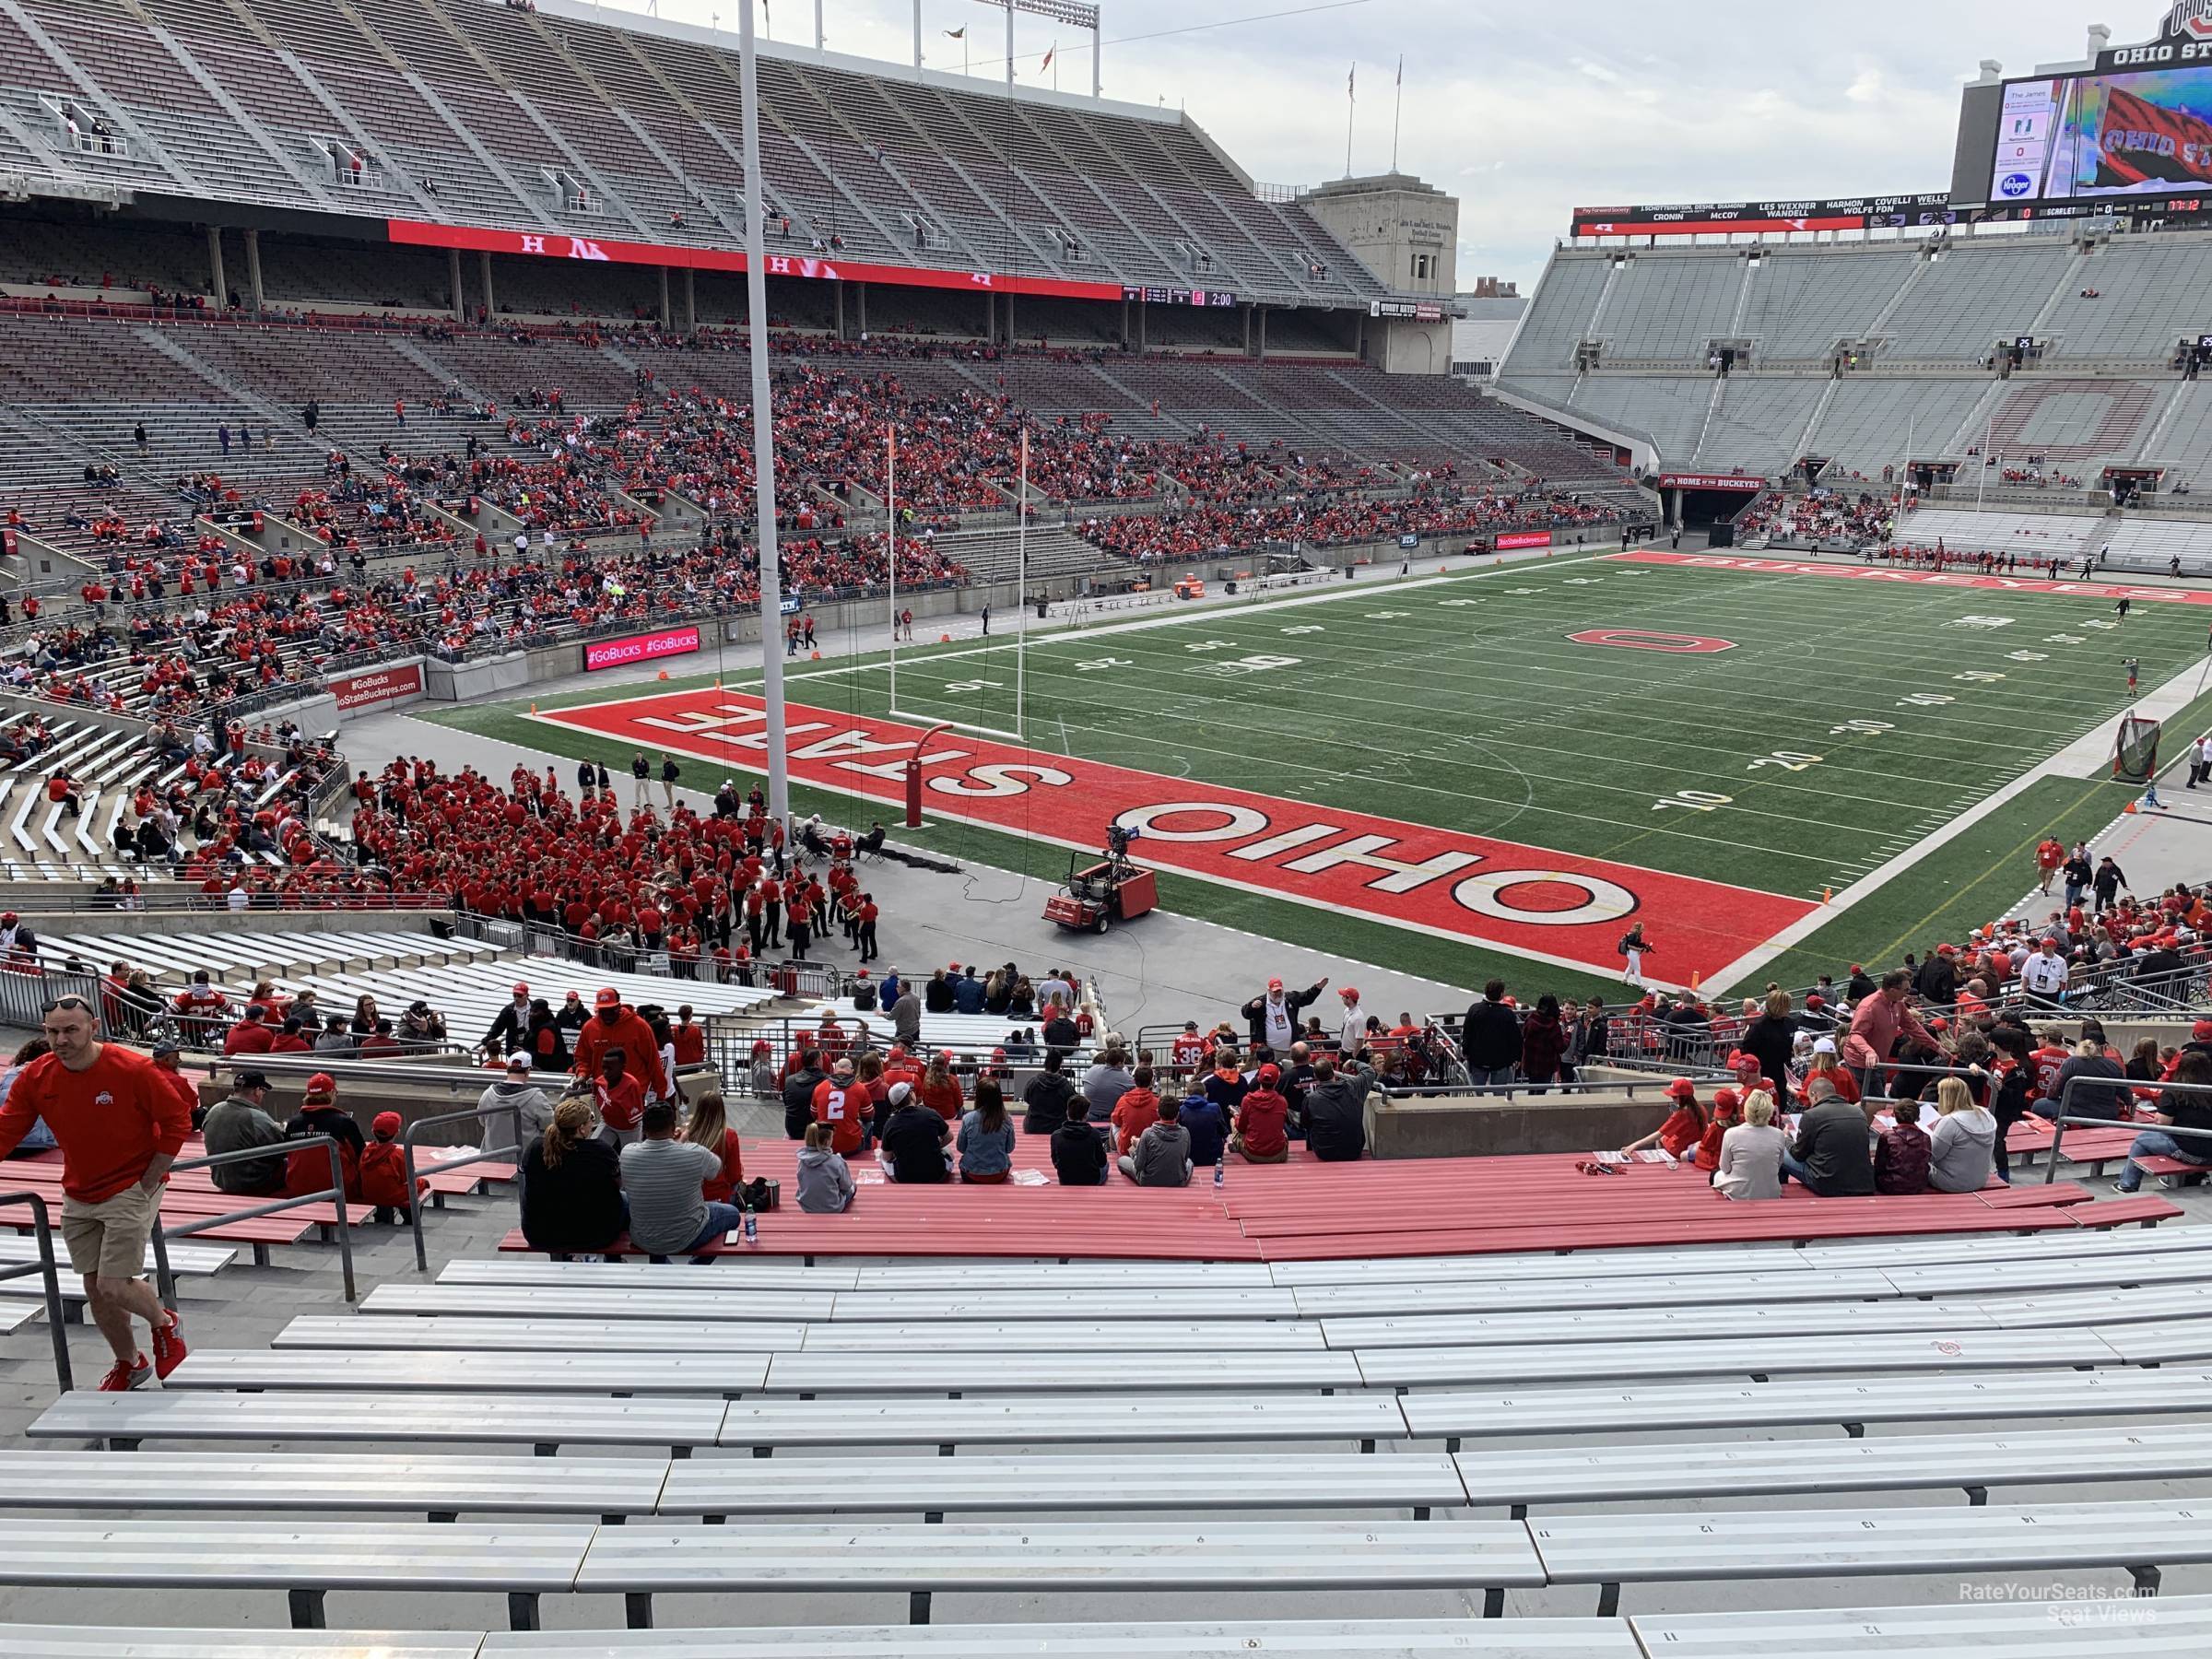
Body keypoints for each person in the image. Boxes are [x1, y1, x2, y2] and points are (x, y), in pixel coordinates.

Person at [0, 998, 190, 1389]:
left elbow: (177, 1120)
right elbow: (6, 1131)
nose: (60, 1039)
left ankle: (164, 1323)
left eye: (70, 1030)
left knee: (112, 1283)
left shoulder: (133, 1069)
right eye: (52, 1031)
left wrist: (152, 1177)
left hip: (131, 1185)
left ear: (93, 1026)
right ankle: (130, 1362)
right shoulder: (38, 1075)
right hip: (80, 1190)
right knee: (93, 1286)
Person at [622, 1100, 736, 1262]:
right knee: (732, 1213)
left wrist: (678, 1144)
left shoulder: (627, 1153)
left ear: (644, 1128)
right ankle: (696, 1265)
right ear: (672, 1126)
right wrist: (683, 1142)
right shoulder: (695, 1153)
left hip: (643, 1238)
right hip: (688, 1236)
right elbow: (716, 1169)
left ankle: (661, 1266)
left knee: (649, 1208)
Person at [519, 1097, 625, 1258]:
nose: (592, 1123)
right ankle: (613, 1260)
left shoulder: (535, 1148)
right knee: (625, 1200)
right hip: (595, 1236)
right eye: (591, 1118)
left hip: (540, 1234)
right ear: (582, 1128)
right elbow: (618, 1183)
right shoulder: (600, 1151)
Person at [2116, 1050, 2212, 1192]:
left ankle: (2127, 1184)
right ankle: (2191, 1178)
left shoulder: (2175, 1091)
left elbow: (2162, 1122)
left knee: (2142, 1140)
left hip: (2188, 1151)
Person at [1782, 1075, 1876, 1195]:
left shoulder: (1812, 1115)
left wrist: (1786, 1139)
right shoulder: (1859, 1113)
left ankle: (1781, 1190)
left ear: (1815, 1095)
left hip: (1827, 1183)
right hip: (1862, 1182)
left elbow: (1798, 1154)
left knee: (1779, 1149)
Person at [198, 1069, 286, 1196]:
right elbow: (281, 1147)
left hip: (221, 1180)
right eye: (263, 1091)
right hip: (252, 1183)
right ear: (257, 1091)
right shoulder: (257, 1118)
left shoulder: (214, 1110)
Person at [571, 989, 667, 1103]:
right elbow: (583, 1058)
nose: (607, 1015)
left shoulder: (639, 1026)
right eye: (603, 1011)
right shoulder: (589, 1028)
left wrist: (661, 1094)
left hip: (633, 1092)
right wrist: (582, 1074)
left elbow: (653, 1061)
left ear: (619, 1006)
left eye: (611, 1010)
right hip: (604, 1093)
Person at [283, 1072, 365, 1199]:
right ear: (332, 1093)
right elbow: (361, 1156)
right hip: (338, 1190)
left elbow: (287, 1154)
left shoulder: (293, 1123)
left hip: (299, 1190)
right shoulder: (343, 1122)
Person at [1926, 1076, 1998, 1193]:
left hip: (1951, 1181)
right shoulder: (1986, 1114)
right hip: (1980, 1180)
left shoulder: (1950, 1121)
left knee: (1913, 1162)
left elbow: (1932, 1156)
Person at [1714, 1091, 1788, 1200]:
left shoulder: (1731, 1133)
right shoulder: (1779, 1135)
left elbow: (1725, 1168)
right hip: (1771, 1192)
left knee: (1715, 1175)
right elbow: (1778, 1165)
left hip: (1739, 1192)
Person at [359, 1111, 427, 1225]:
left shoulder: (366, 1152)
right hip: (390, 1196)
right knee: (420, 1184)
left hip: (369, 1194)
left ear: (372, 1131)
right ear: (397, 1133)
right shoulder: (398, 1154)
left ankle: (383, 1219)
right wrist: (422, 1183)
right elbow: (407, 1178)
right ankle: (411, 1222)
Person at [2041, 1035, 2130, 1121]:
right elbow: (2127, 1097)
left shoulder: (2071, 1063)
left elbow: (2052, 1093)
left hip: (2075, 1113)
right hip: (2107, 1114)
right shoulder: (2112, 1065)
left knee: (2039, 1104)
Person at [480, 1053, 555, 1155]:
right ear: (528, 1071)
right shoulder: (536, 1098)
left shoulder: (488, 1094)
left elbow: (482, 1121)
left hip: (492, 1158)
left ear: (507, 1069)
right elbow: (549, 1124)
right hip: (524, 1160)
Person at [879, 1080, 951, 1182]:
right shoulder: (930, 1113)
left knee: (882, 1158)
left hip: (904, 1177)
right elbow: (949, 1137)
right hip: (936, 1175)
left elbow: (887, 1157)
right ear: (911, 1095)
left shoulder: (890, 1123)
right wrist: (932, 1146)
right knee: (948, 1151)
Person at [1300, 1056, 1367, 1160]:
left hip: (1325, 1153)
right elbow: (1369, 1071)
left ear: (1315, 1076)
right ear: (1333, 1072)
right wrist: (1352, 1062)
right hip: (1354, 1151)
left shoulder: (1310, 1099)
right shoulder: (1354, 1088)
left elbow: (1305, 1124)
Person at [684, 1092, 745, 1204]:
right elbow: (734, 1176)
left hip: (692, 1197)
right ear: (721, 1110)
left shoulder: (686, 1134)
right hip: (718, 1197)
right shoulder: (729, 1136)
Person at [1623, 1078, 1706, 1159]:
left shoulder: (1682, 1114)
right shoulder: (1700, 1108)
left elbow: (1659, 1133)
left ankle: (1662, 1158)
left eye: (1674, 1097)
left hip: (1680, 1149)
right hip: (1696, 1146)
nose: (1672, 1099)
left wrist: (1635, 1145)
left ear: (1683, 1097)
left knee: (1660, 1138)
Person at [1119, 1096, 1193, 1186]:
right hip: (1177, 1181)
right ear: (1177, 1115)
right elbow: (1184, 1159)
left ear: (1157, 1112)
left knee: (1122, 1160)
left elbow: (1138, 1166)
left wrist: (1137, 1149)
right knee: (1189, 1162)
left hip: (1148, 1181)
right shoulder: (1185, 1132)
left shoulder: (1147, 1133)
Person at [1242, 975, 1327, 1052]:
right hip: (1269, 1051)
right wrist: (1251, 1007)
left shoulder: (1290, 998)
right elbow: (1245, 1013)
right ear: (1268, 991)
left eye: (1279, 991)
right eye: (1275, 992)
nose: (1278, 994)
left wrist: (1317, 988)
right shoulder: (1261, 1002)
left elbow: (1306, 997)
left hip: (1290, 1049)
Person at [1460, 981, 1521, 1088]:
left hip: (1478, 1059)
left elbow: (1467, 1033)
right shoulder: (1507, 1014)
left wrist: (1465, 1050)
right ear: (1501, 994)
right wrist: (1517, 1057)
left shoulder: (1475, 1009)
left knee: (1476, 1093)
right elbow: (1515, 1038)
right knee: (1499, 1094)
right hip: (1500, 1061)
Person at [957, 1077, 1016, 1183]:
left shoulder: (968, 1118)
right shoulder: (1007, 1120)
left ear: (978, 1096)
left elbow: (961, 1148)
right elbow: (1009, 1149)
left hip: (971, 1173)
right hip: (999, 1173)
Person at [1740, 991, 1798, 1095]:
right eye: (1787, 1005)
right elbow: (1746, 1051)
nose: (1790, 1008)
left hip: (1782, 1077)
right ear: (1778, 1006)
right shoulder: (1759, 1026)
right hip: (1763, 1077)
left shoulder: (1790, 1023)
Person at [1231, 1063, 1290, 1162]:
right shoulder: (1282, 1101)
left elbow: (1241, 1128)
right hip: (1278, 1153)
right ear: (1276, 1082)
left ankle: (1235, 1146)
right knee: (1283, 1132)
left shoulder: (1248, 1100)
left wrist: (1236, 1116)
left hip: (1253, 1153)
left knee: (1232, 1121)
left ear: (1259, 1079)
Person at [1872, 1098, 1932, 1194]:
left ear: (1894, 1115)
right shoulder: (1925, 1137)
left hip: (1890, 1184)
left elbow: (1879, 1165)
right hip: (1917, 1185)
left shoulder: (1887, 1136)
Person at [592, 1048, 646, 1147]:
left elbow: (636, 1118)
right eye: (604, 1068)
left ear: (622, 1067)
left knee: (630, 1157)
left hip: (629, 1128)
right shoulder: (599, 1082)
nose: (606, 1072)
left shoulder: (631, 1086)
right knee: (593, 1150)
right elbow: (595, 1098)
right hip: (608, 1123)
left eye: (610, 1069)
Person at [796, 1121, 855, 1212]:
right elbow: (846, 1186)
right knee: (853, 1186)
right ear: (827, 1141)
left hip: (807, 1207)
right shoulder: (836, 1161)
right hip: (833, 1208)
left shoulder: (802, 1161)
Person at [1052, 1096, 1110, 1184]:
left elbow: (1056, 1162)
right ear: (1086, 1115)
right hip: (1092, 1180)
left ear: (1067, 1113)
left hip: (1066, 1180)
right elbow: (1102, 1162)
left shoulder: (1056, 1136)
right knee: (1107, 1165)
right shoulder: (1094, 1134)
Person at [1519, 994, 1570, 1093]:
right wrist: (1568, 1035)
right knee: (1541, 1091)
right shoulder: (1554, 1026)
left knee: (1532, 1088)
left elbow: (1523, 1035)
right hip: (1546, 1065)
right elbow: (1561, 1047)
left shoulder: (1531, 1019)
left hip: (1531, 1062)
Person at [1021, 1049, 1077, 1135]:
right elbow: (1074, 1104)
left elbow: (1026, 1098)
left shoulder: (1033, 1082)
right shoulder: (1066, 1086)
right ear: (1060, 1064)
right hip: (1058, 1128)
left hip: (1033, 1127)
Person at [1111, 1066, 1161, 1156]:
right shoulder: (1157, 1103)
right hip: (1150, 1150)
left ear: (1134, 1081)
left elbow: (1116, 1121)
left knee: (1113, 1123)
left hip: (1126, 1150)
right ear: (1151, 1082)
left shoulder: (1123, 1100)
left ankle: (1113, 1151)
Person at [1178, 1086, 1229, 1168]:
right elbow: (1224, 1132)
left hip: (1189, 1156)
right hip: (1213, 1156)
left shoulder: (1181, 1110)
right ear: (1206, 1095)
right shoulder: (1215, 1108)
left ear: (1188, 1095)